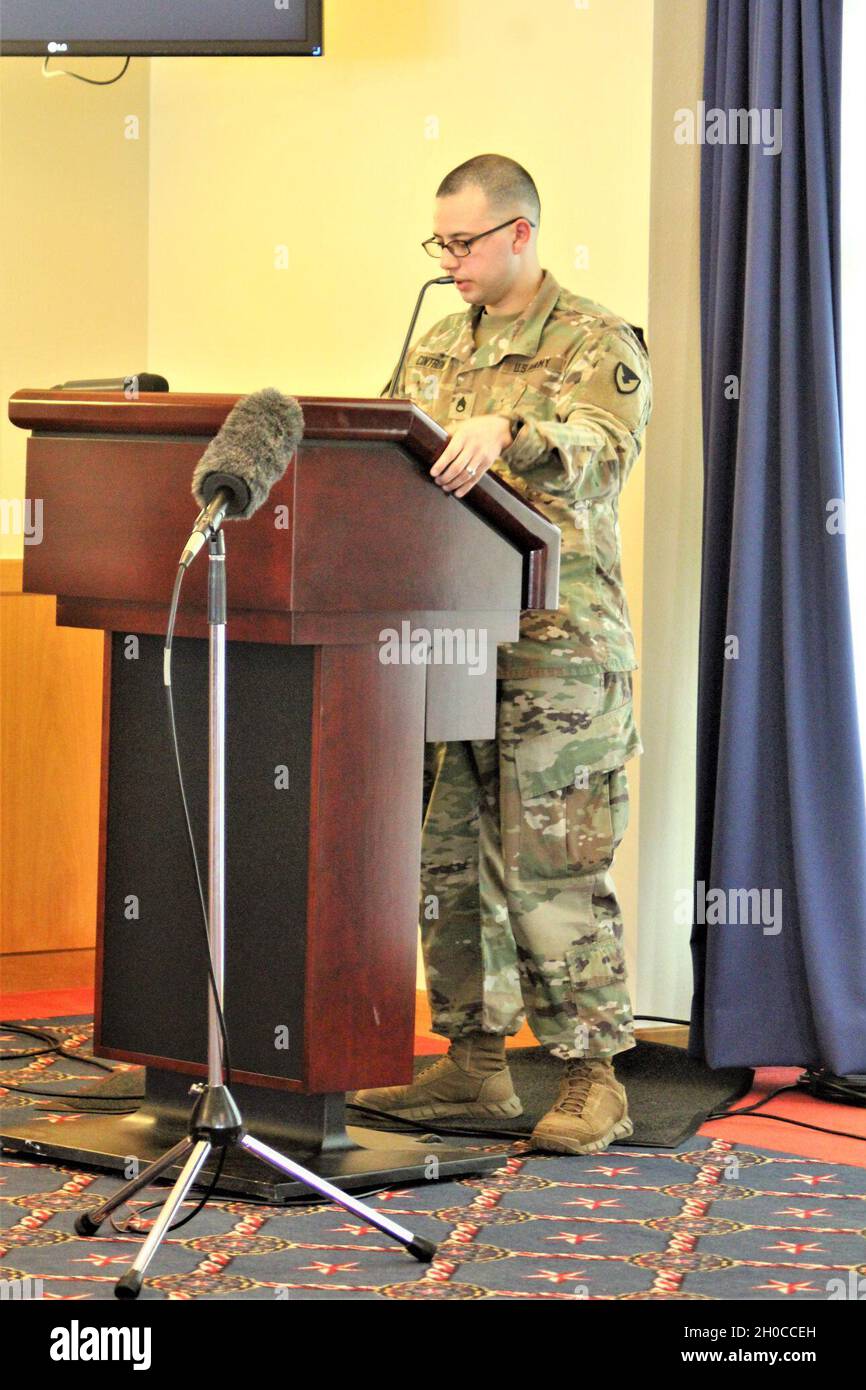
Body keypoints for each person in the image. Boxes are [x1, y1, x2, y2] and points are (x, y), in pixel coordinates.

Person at [354, 154, 652, 1154]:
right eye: (438, 244)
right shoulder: (436, 343)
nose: (449, 262)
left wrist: (511, 426)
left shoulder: (594, 337)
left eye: (465, 243)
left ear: (519, 234)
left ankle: (592, 1074)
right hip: (450, 638)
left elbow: (603, 446)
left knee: (551, 863)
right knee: (449, 855)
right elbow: (385, 445)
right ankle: (475, 1062)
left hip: (555, 650)